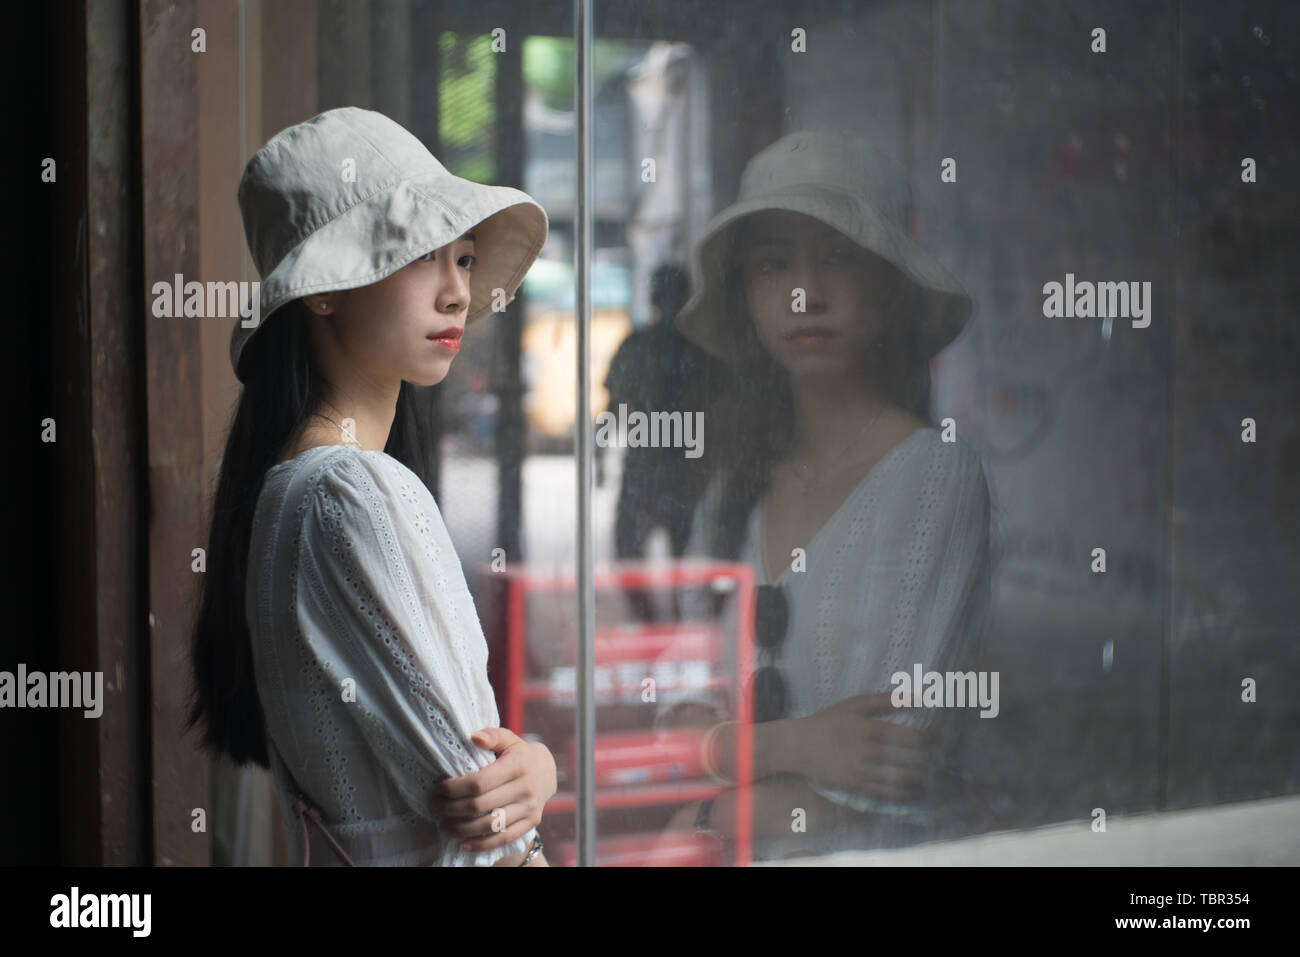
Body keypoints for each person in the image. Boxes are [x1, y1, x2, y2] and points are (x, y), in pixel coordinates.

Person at [186, 107, 555, 866]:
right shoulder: (352, 492)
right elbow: (487, 828)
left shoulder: (278, 491)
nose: (457, 292)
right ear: (321, 289)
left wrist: (536, 769)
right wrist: (531, 781)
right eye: (423, 254)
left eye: (466, 258)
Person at [657, 130, 994, 860]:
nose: (806, 293)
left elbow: (879, 776)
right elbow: (668, 734)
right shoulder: (729, 494)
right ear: (746, 294)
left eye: (838, 256)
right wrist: (797, 742)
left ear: (889, 282)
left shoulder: (934, 477)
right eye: (774, 263)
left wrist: (708, 808)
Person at [599, 263, 729, 622]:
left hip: (677, 474)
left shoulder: (698, 354)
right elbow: (612, 407)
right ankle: (657, 626)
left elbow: (722, 421)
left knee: (677, 560)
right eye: (666, 296)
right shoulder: (643, 347)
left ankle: (665, 625)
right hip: (655, 472)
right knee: (635, 557)